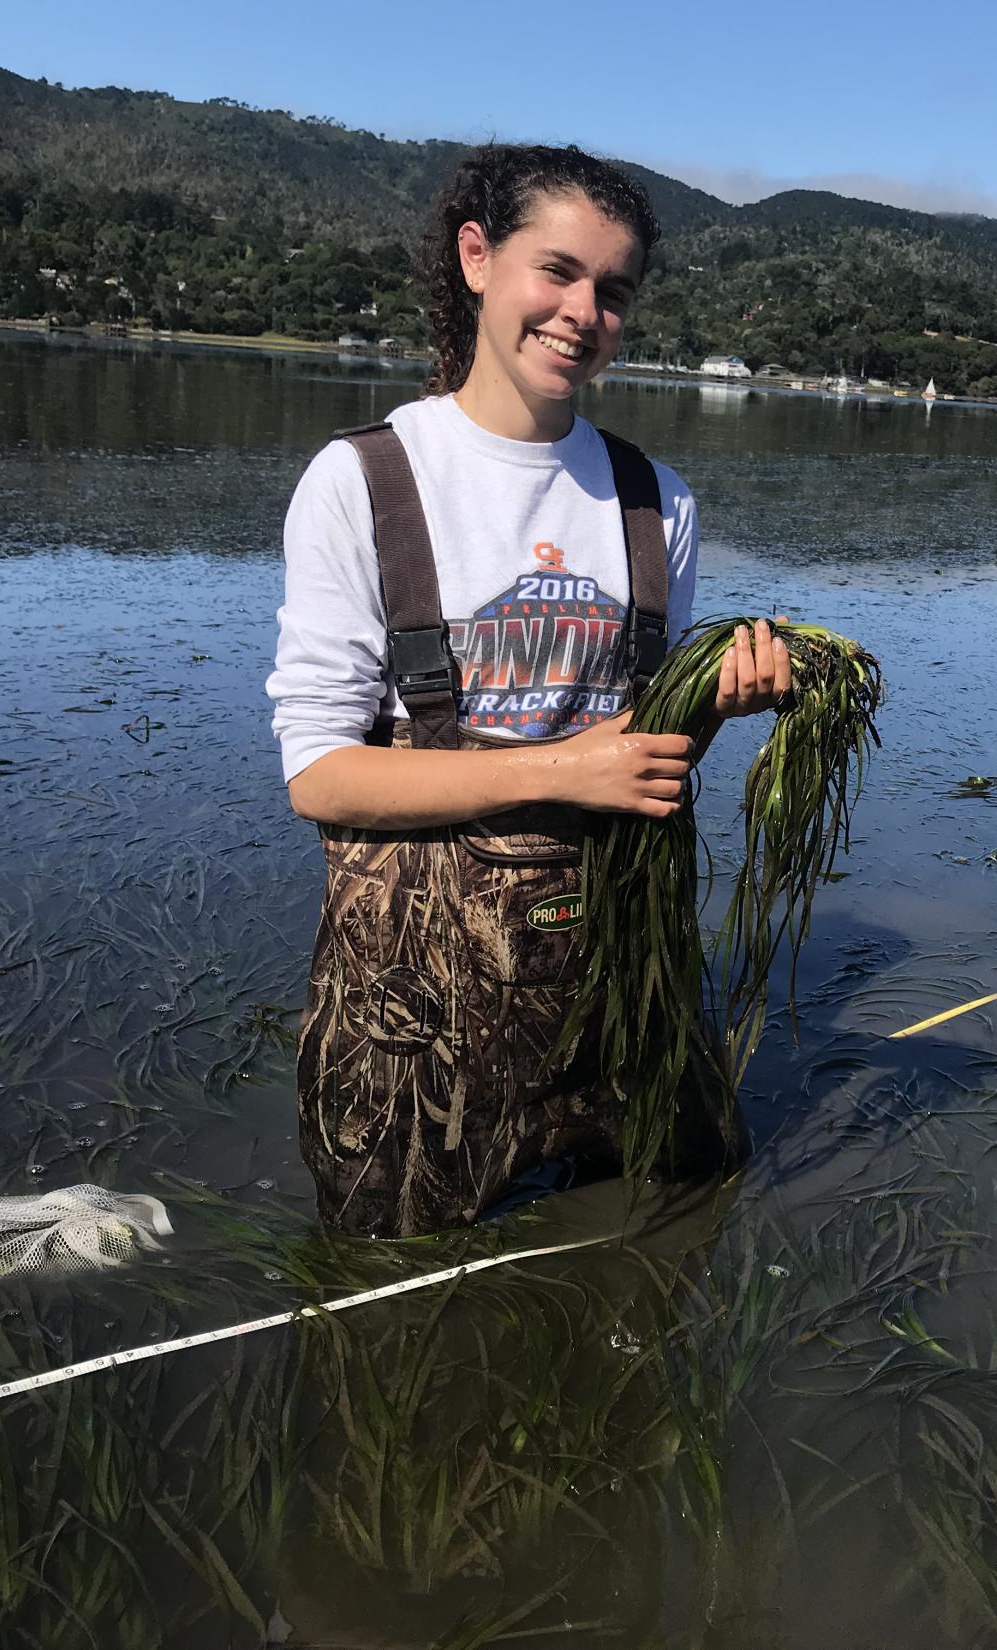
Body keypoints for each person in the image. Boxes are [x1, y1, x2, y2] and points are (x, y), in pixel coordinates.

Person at [267, 143, 788, 1237]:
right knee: (391, 1303)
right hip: (415, 997)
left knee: (688, 1198)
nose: (581, 312)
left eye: (613, 291)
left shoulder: (655, 499)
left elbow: (645, 734)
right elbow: (319, 776)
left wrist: (719, 692)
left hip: (624, 964)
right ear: (476, 258)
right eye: (555, 271)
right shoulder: (364, 479)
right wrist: (566, 768)